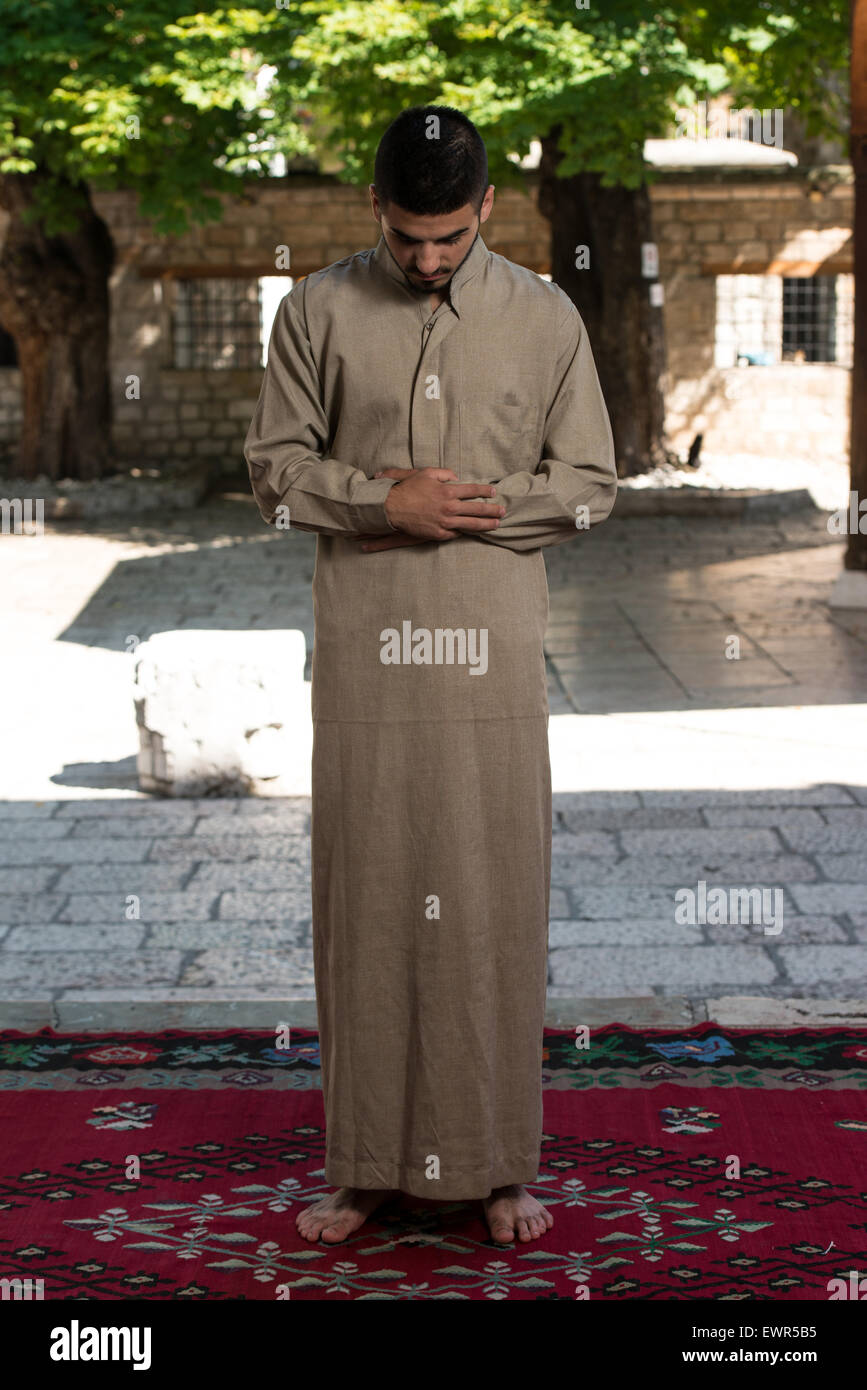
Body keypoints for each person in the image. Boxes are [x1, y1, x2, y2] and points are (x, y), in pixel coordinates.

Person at [244, 104, 617, 1247]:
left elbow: (592, 481)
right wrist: (378, 499)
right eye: (409, 237)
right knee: (368, 887)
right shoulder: (314, 310)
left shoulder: (547, 317)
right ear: (375, 206)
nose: (427, 259)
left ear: (489, 207)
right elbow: (273, 472)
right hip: (367, 651)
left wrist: (464, 504)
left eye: (449, 237)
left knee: (492, 889)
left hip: (493, 654)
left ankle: (503, 1164)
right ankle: (362, 1164)